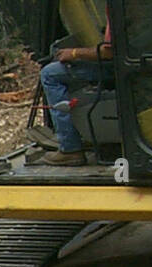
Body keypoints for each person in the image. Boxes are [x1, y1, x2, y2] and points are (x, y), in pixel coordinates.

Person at [37, 8, 113, 166]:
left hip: (116, 67)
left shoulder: (119, 6)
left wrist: (74, 53)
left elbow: (108, 52)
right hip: (139, 63)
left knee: (49, 74)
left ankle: (70, 149)